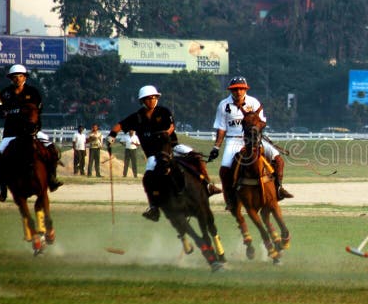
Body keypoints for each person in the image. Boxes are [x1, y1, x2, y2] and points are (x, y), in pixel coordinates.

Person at [107, 85, 221, 221]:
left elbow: (171, 127)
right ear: (143, 101)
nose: (152, 100)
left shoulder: (164, 111)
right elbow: (119, 125)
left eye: (154, 98)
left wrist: (164, 134)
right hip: (153, 155)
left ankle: (208, 185)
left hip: (172, 147)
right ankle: (153, 207)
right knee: (148, 177)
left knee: (197, 157)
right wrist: (111, 136)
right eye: (148, 99)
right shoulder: (137, 117)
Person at [210, 76, 293, 209]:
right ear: (230, 91)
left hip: (254, 139)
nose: (238, 92)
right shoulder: (223, 105)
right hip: (234, 140)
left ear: (245, 89)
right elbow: (221, 128)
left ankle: (278, 189)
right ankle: (230, 199)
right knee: (224, 170)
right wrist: (216, 147)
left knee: (279, 161)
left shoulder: (253, 102)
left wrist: (255, 129)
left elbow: (262, 122)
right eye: (235, 89)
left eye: (241, 89)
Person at [0, 64, 63, 201]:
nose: (17, 79)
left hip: (31, 132)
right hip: (11, 133)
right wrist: (1, 110)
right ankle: (1, 188)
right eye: (14, 77)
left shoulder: (33, 92)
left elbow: (38, 110)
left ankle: (52, 178)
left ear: (25, 77)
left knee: (52, 149)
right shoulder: (5, 94)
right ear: (11, 78)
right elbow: (0, 113)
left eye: (20, 76)